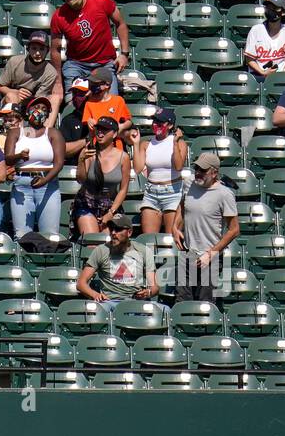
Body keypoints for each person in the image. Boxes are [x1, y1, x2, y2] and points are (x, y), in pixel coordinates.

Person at [170, 152, 241, 303]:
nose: (198, 173)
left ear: (215, 173)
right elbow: (182, 206)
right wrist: (175, 227)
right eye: (196, 168)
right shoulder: (189, 183)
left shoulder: (225, 194)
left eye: (203, 170)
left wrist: (211, 254)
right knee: (182, 302)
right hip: (187, 253)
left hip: (210, 257)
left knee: (206, 304)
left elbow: (234, 230)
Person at [49, 0, 130, 98]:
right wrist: (58, 82)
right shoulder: (59, 16)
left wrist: (124, 54)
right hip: (76, 65)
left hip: (104, 64)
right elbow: (55, 50)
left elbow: (120, 24)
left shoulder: (101, 2)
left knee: (110, 104)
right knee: (73, 103)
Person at [4, 96, 66, 239]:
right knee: (22, 235)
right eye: (36, 108)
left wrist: (45, 180)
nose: (40, 111)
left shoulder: (53, 133)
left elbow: (59, 163)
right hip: (21, 185)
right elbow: (7, 158)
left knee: (50, 235)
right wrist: (19, 156)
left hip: (48, 184)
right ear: (27, 111)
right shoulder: (15, 132)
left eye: (44, 109)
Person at [76, 214, 158, 311]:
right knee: (93, 309)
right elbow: (81, 284)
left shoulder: (143, 251)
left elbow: (154, 287)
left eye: (118, 229)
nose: (113, 233)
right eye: (111, 229)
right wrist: (96, 295)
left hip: (135, 302)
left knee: (165, 310)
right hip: (109, 302)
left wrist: (148, 292)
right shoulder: (101, 250)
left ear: (129, 232)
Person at [133, 108, 187, 236]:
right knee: (149, 241)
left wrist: (175, 143)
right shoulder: (146, 144)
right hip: (151, 192)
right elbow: (137, 168)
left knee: (171, 239)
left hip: (172, 192)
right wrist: (135, 144)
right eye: (154, 121)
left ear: (170, 125)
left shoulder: (180, 143)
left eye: (160, 122)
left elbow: (178, 166)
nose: (156, 124)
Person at [72, 117, 130, 237]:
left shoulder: (123, 157)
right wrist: (81, 160)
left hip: (110, 206)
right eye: (98, 129)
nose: (100, 133)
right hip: (87, 203)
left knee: (108, 242)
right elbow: (81, 179)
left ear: (114, 134)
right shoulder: (89, 153)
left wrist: (110, 213)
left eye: (105, 130)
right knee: (93, 241)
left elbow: (123, 189)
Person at [0, 30, 62, 114]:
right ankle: (15, 125)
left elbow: (39, 98)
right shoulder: (15, 62)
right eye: (34, 48)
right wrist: (16, 92)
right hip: (10, 100)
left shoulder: (51, 73)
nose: (38, 53)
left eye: (42, 49)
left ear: (47, 51)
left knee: (55, 98)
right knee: (11, 96)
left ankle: (45, 127)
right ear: (28, 49)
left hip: (33, 103)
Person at [244, 0, 285, 80]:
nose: (271, 10)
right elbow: (249, 59)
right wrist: (263, 72)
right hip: (258, 75)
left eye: (275, 8)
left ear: (283, 12)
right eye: (268, 7)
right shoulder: (256, 30)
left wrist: (284, 73)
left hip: (281, 76)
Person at [81, 66, 132, 141]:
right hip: (97, 143)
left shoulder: (118, 101)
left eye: (95, 83)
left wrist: (122, 126)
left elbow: (129, 121)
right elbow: (87, 121)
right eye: (91, 83)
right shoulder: (89, 103)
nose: (92, 85)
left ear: (107, 85)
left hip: (115, 144)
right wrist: (89, 121)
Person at [57, 77, 92, 159]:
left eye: (81, 93)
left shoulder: (100, 115)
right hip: (75, 166)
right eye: (74, 93)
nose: (76, 97)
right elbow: (62, 150)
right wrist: (87, 140)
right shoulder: (68, 120)